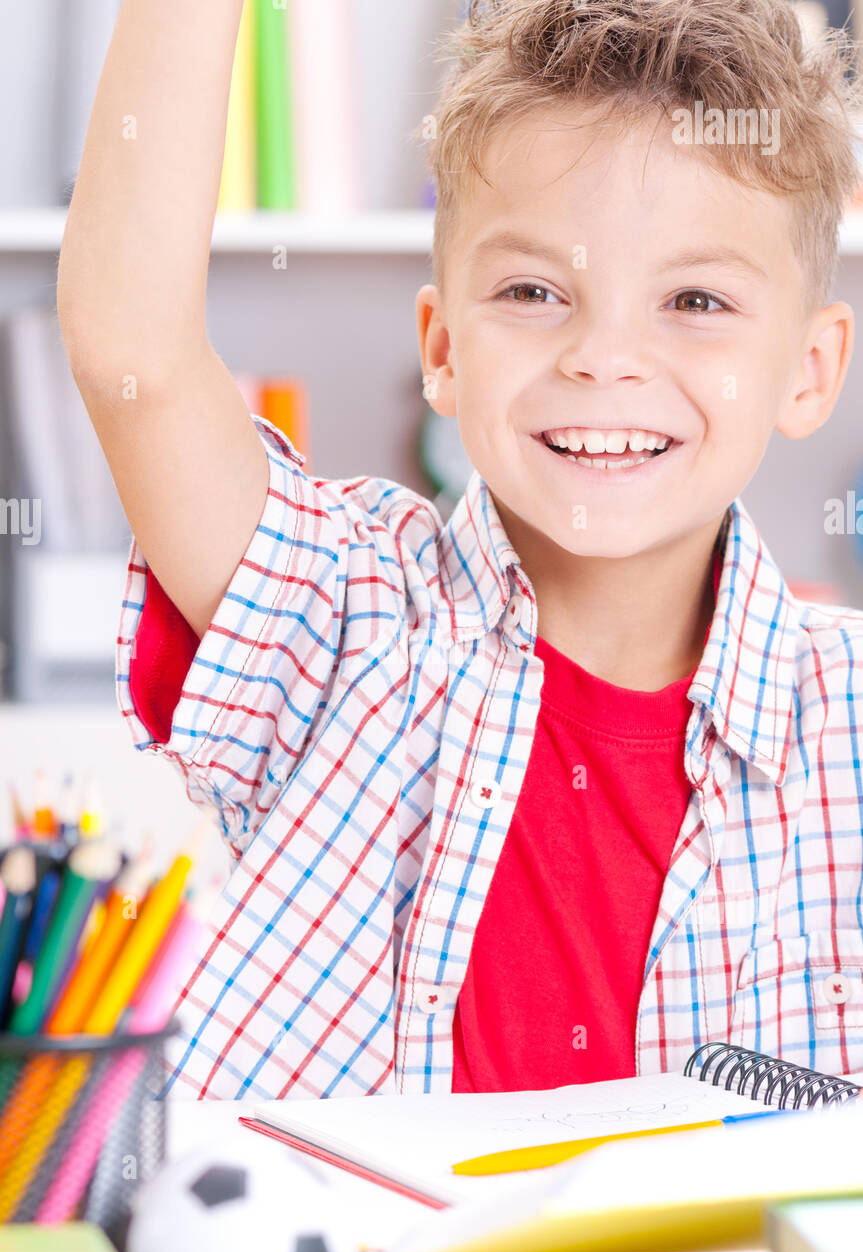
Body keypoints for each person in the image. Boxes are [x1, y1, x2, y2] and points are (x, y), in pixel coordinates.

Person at [57, 0, 863, 1099]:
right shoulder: (347, 618)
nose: (604, 358)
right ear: (442, 349)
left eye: (693, 298)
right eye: (533, 292)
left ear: (808, 370)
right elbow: (130, 353)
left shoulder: (847, 724)